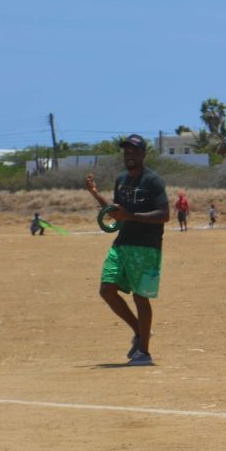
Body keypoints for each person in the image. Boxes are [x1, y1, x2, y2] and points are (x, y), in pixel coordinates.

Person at [84, 134, 169, 366]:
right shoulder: (121, 179)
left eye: (134, 152)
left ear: (143, 154)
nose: (129, 155)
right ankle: (139, 331)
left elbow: (164, 215)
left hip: (146, 247)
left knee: (140, 298)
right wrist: (95, 194)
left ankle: (144, 353)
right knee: (107, 289)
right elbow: (114, 212)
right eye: (126, 152)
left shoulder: (153, 181)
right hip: (122, 244)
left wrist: (132, 216)